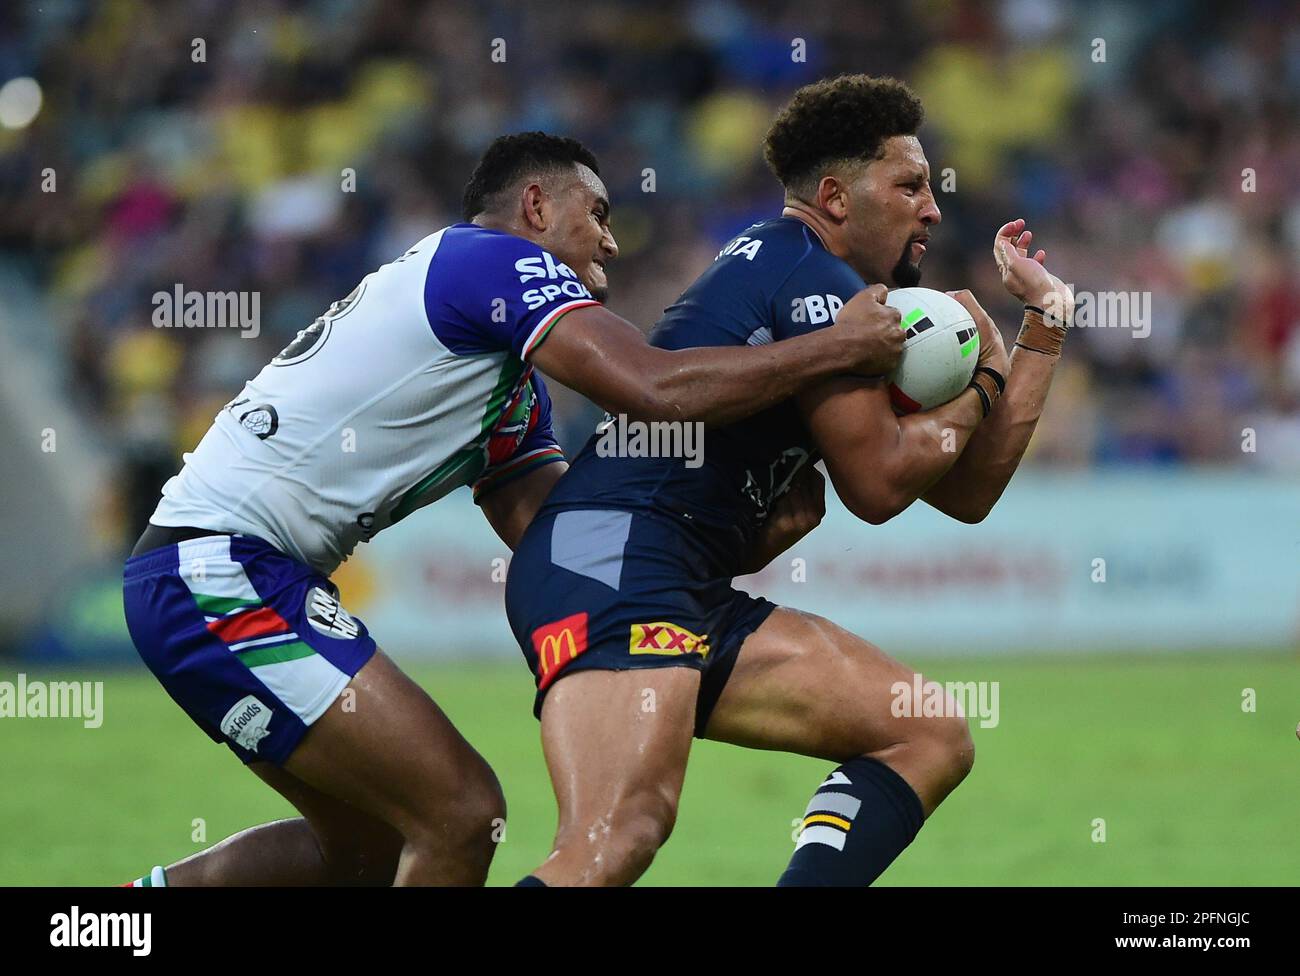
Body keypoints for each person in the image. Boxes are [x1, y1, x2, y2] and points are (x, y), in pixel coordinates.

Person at [119, 131, 904, 887]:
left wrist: (741, 541)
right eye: (597, 214)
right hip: (220, 577)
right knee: (460, 816)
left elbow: (564, 542)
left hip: (218, 576)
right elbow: (653, 387)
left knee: (368, 850)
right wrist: (834, 347)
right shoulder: (487, 259)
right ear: (535, 207)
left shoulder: (503, 385)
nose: (612, 242)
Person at [503, 76, 1074, 886]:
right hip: (615, 565)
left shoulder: (813, 280)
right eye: (910, 186)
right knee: (612, 840)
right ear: (836, 197)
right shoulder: (813, 279)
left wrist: (1042, 330)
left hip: (673, 580)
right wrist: (985, 381)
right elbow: (878, 486)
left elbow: (966, 493)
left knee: (923, 734)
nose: (933, 210)